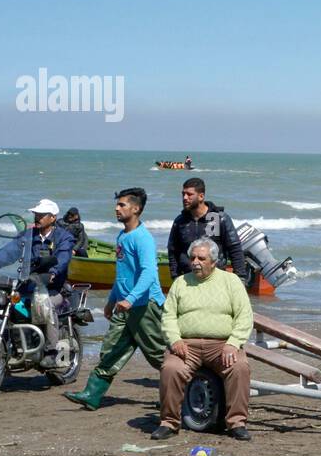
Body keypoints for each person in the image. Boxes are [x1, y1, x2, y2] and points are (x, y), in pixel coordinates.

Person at [65, 188, 167, 410]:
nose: (116, 208)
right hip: (124, 305)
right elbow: (122, 275)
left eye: (122, 205)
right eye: (117, 205)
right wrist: (112, 301)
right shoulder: (122, 236)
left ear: (136, 208)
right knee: (110, 349)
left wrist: (130, 299)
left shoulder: (143, 238)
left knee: (158, 355)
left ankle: (183, 392)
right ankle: (92, 394)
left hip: (144, 306)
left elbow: (149, 273)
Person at [153, 238, 253, 441]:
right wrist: (175, 341)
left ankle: (236, 423)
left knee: (239, 367)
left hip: (221, 345)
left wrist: (233, 343)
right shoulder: (180, 283)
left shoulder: (231, 281)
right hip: (186, 346)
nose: (195, 262)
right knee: (171, 369)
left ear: (214, 261)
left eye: (201, 258)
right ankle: (169, 423)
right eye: (192, 258)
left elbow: (244, 316)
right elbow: (168, 316)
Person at [0, 199, 75, 365]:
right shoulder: (28, 235)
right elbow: (9, 251)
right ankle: (15, 347)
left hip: (53, 289)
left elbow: (63, 258)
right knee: (9, 304)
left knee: (45, 304)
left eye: (42, 215)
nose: (38, 217)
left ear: (52, 218)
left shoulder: (64, 237)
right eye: (36, 214)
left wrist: (52, 273)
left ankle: (51, 351)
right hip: (28, 285)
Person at [167, 178, 246, 281]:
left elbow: (235, 249)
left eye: (189, 194)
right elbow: (173, 251)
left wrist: (240, 279)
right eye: (183, 194)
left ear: (201, 196)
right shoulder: (180, 221)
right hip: (188, 279)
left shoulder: (218, 218)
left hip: (215, 280)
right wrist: (175, 276)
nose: (185, 198)